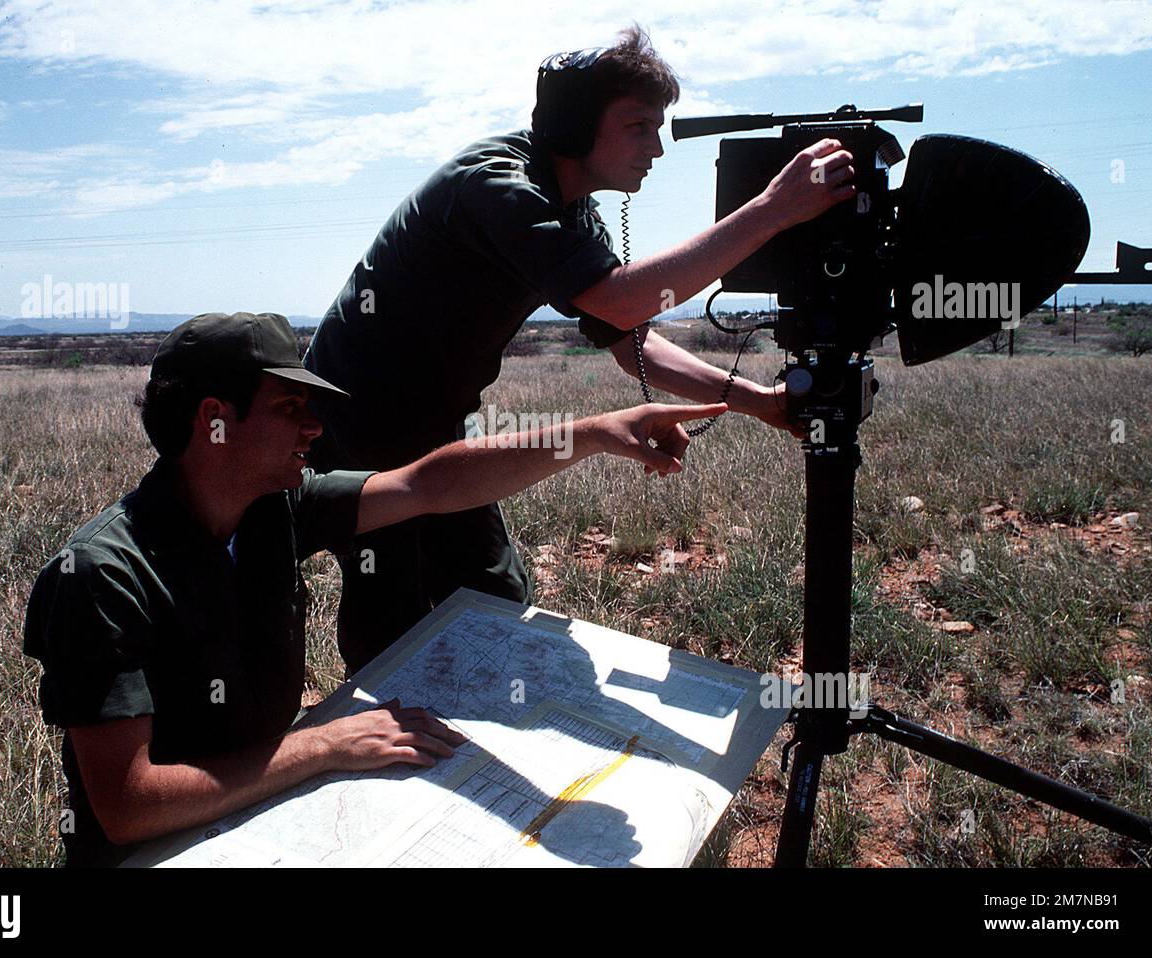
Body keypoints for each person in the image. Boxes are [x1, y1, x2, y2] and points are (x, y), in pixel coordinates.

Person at [23, 310, 724, 866]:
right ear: (215, 420)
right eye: (289, 407)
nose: (315, 427)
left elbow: (427, 483)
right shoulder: (103, 576)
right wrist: (321, 744)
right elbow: (128, 807)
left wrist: (596, 433)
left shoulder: (274, 510)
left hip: (255, 818)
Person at [302, 25, 856, 673]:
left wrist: (757, 401)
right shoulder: (500, 185)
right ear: (572, 124)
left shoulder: (573, 209)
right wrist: (771, 210)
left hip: (438, 421)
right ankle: (374, 752)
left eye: (659, 128)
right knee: (393, 620)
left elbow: (631, 342)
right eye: (639, 126)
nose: (655, 148)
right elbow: (623, 300)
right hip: (359, 416)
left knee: (491, 599)